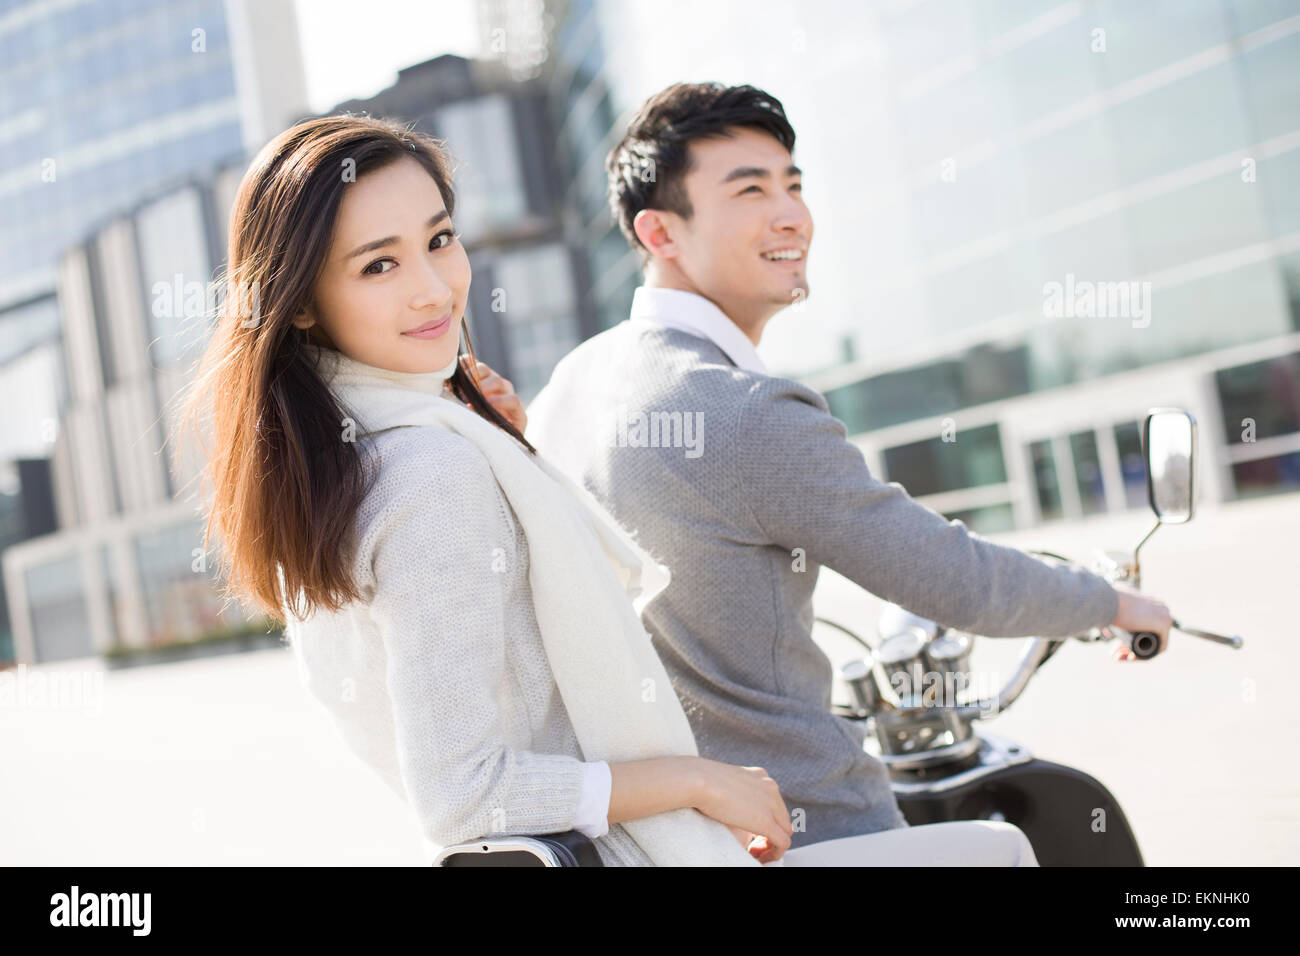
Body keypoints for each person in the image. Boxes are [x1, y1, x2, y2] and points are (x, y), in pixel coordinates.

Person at [524, 82, 1174, 859]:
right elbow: (952, 577)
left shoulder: (572, 383)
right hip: (811, 825)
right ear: (660, 231)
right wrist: (1111, 600)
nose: (792, 213)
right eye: (750, 190)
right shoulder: (742, 410)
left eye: (793, 184)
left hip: (652, 836)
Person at [173, 114, 802, 867]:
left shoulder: (345, 460)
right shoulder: (431, 474)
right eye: (379, 265)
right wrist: (694, 781)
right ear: (301, 300)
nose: (435, 290)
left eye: (439, 240)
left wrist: (504, 446)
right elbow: (464, 793)